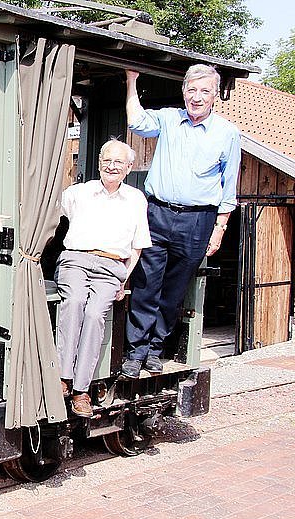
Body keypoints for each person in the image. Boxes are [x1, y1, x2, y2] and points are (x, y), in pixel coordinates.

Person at [122, 64, 241, 378]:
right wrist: (131, 81)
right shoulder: (168, 119)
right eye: (192, 90)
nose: (197, 97)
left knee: (174, 290)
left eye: (205, 91)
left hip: (198, 221)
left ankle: (155, 350)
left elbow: (229, 186)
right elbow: (136, 121)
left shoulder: (227, 133)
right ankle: (135, 352)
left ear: (215, 96)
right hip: (157, 213)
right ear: (184, 91)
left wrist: (219, 229)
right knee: (146, 285)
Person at [55, 139, 151, 417]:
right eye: (106, 160)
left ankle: (81, 390)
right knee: (74, 302)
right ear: (99, 164)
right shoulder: (78, 193)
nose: (111, 166)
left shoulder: (136, 199)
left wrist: (123, 281)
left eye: (118, 162)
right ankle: (62, 378)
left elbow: (137, 247)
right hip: (76, 260)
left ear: (129, 167)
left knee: (95, 314)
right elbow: (48, 211)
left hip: (112, 267)